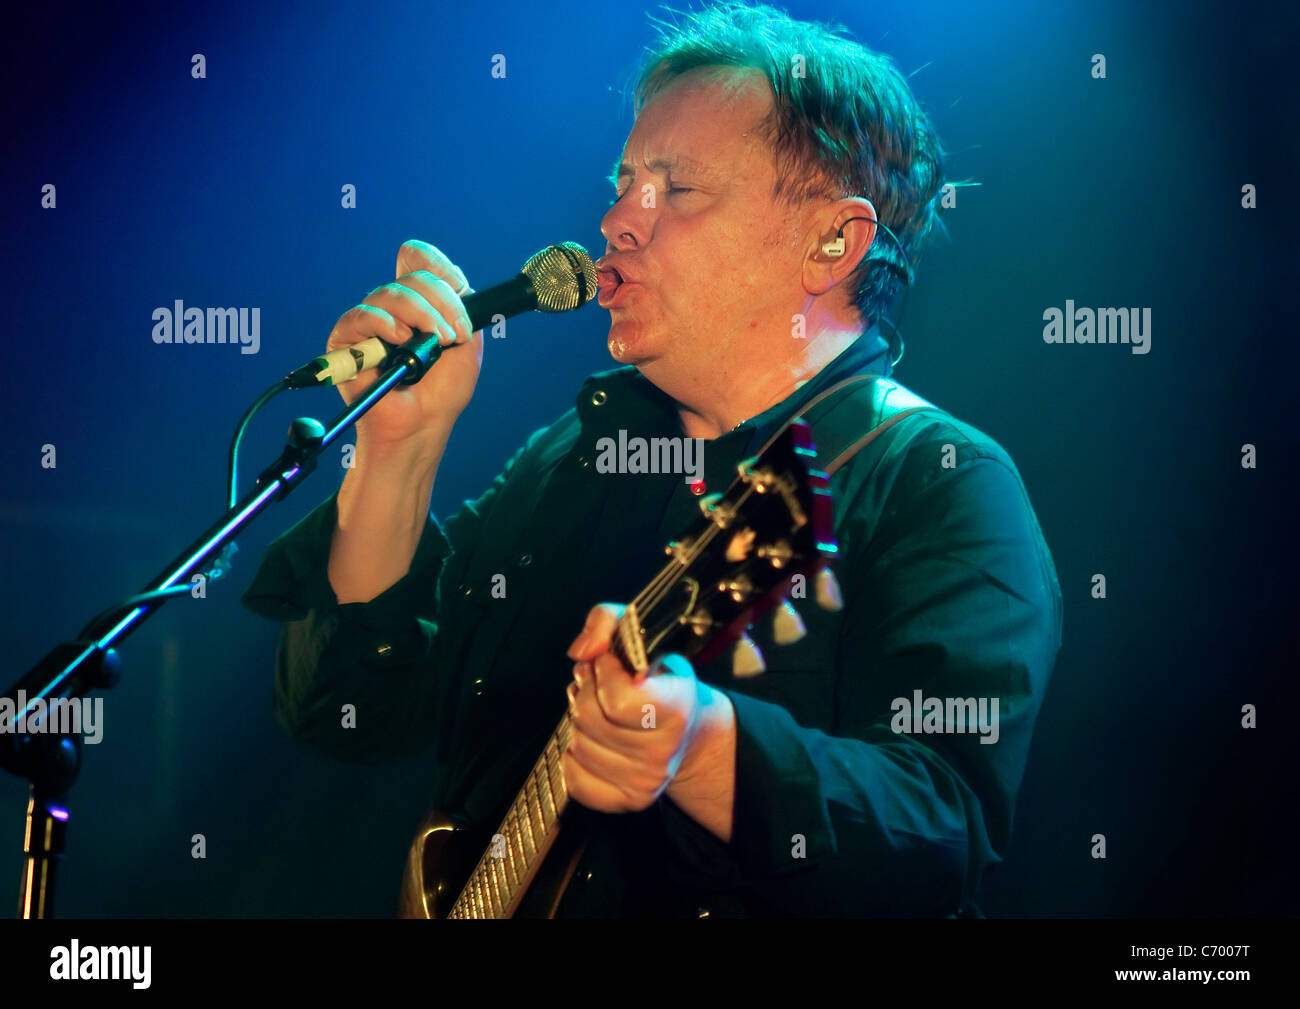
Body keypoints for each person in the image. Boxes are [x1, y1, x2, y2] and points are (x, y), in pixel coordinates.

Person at [242, 1, 1062, 917]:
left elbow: (941, 837)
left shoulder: (937, 485)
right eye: (624, 181)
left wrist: (706, 748)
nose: (615, 221)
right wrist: (396, 454)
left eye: (676, 190)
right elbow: (350, 708)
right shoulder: (574, 455)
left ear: (835, 240)